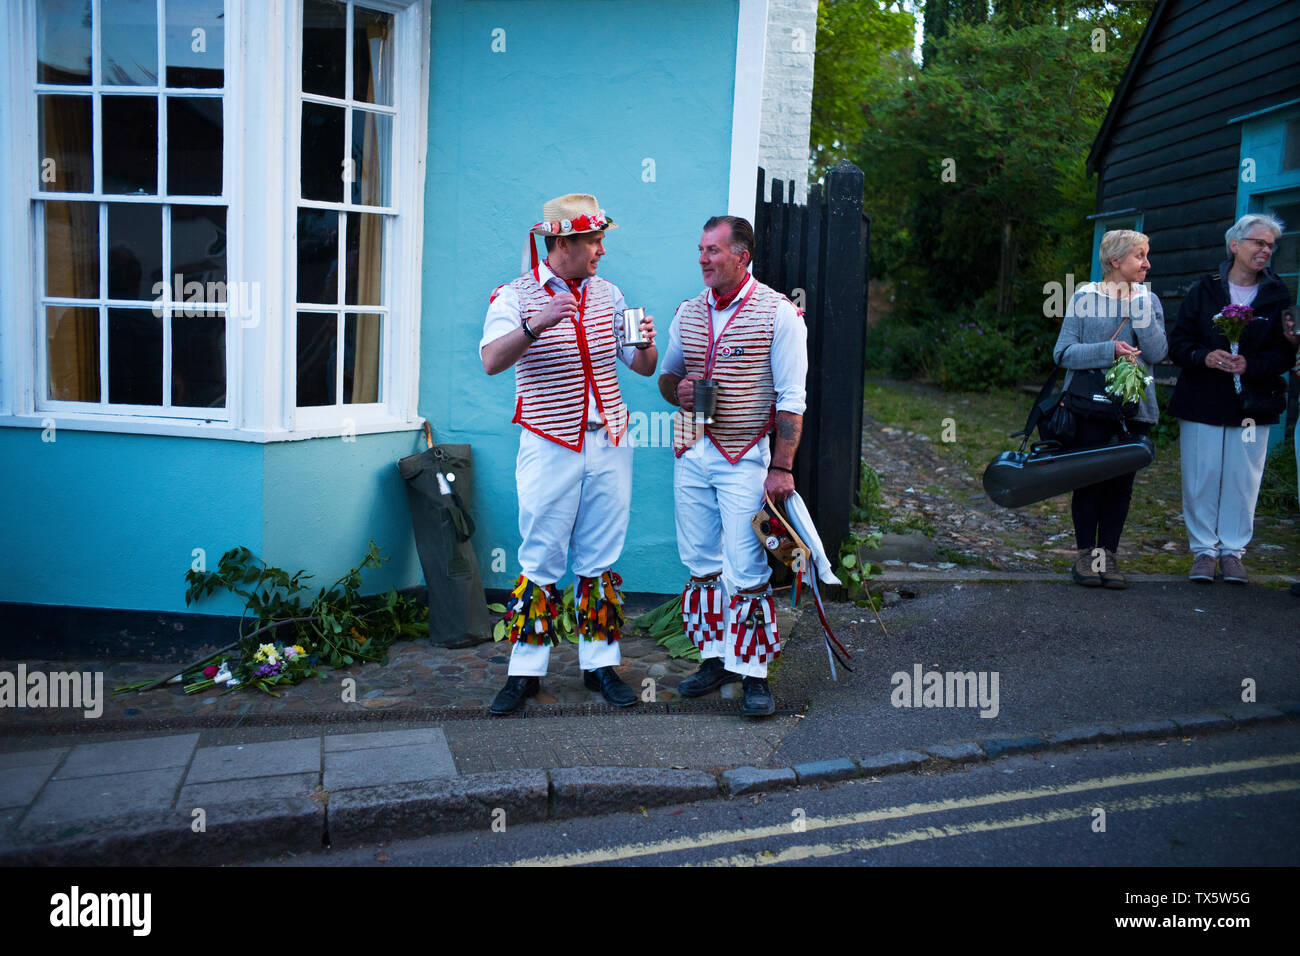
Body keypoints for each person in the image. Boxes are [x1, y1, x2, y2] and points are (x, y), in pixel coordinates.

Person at [480, 193, 657, 713]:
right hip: (549, 440)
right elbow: (491, 360)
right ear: (563, 243)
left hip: (609, 440)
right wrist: (539, 323)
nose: (602, 249)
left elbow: (640, 366)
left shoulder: (610, 293)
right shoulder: (514, 295)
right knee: (541, 556)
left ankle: (600, 666)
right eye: (594, 240)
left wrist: (644, 344)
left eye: (602, 239)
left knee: (600, 555)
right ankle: (525, 672)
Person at [657, 216, 807, 717]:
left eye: (713, 250)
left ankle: (755, 675)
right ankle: (716, 658)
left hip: (745, 456)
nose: (702, 258)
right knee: (700, 560)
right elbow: (669, 377)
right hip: (690, 451)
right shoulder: (688, 311)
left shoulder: (780, 314)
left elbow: (791, 399)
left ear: (742, 256)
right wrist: (674, 390)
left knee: (747, 564)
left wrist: (781, 468)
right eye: (700, 249)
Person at [1168, 214, 1293, 585]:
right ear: (1235, 245)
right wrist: (1204, 357)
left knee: (1244, 478)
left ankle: (1233, 552)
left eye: (1270, 245)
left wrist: (1250, 364)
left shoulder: (1277, 294)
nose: (1265, 250)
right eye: (1258, 242)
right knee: (1202, 475)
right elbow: (1179, 344)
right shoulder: (1204, 290)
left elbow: (1284, 355)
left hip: (1254, 404)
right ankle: (1204, 551)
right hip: (1202, 400)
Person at [1053, 229, 1168, 589]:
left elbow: (1158, 354)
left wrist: (1140, 313)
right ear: (1115, 261)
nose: (1147, 263)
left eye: (1147, 255)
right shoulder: (1084, 298)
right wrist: (1109, 350)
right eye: (1139, 255)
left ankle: (1109, 556)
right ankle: (1088, 558)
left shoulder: (1148, 301)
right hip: (1090, 408)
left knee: (1121, 485)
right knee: (1089, 482)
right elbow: (1063, 353)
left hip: (1133, 410)